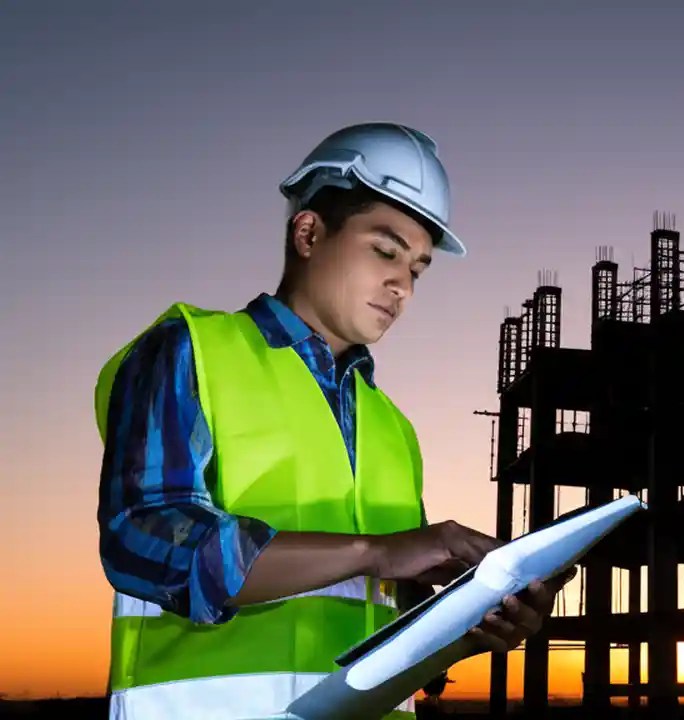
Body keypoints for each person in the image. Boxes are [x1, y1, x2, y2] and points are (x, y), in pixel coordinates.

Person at [94, 122, 572, 719]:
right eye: (385, 250)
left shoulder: (393, 428)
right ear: (309, 232)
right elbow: (143, 538)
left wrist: (474, 628)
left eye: (418, 270)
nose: (401, 286)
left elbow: (385, 620)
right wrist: (374, 550)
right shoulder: (188, 351)